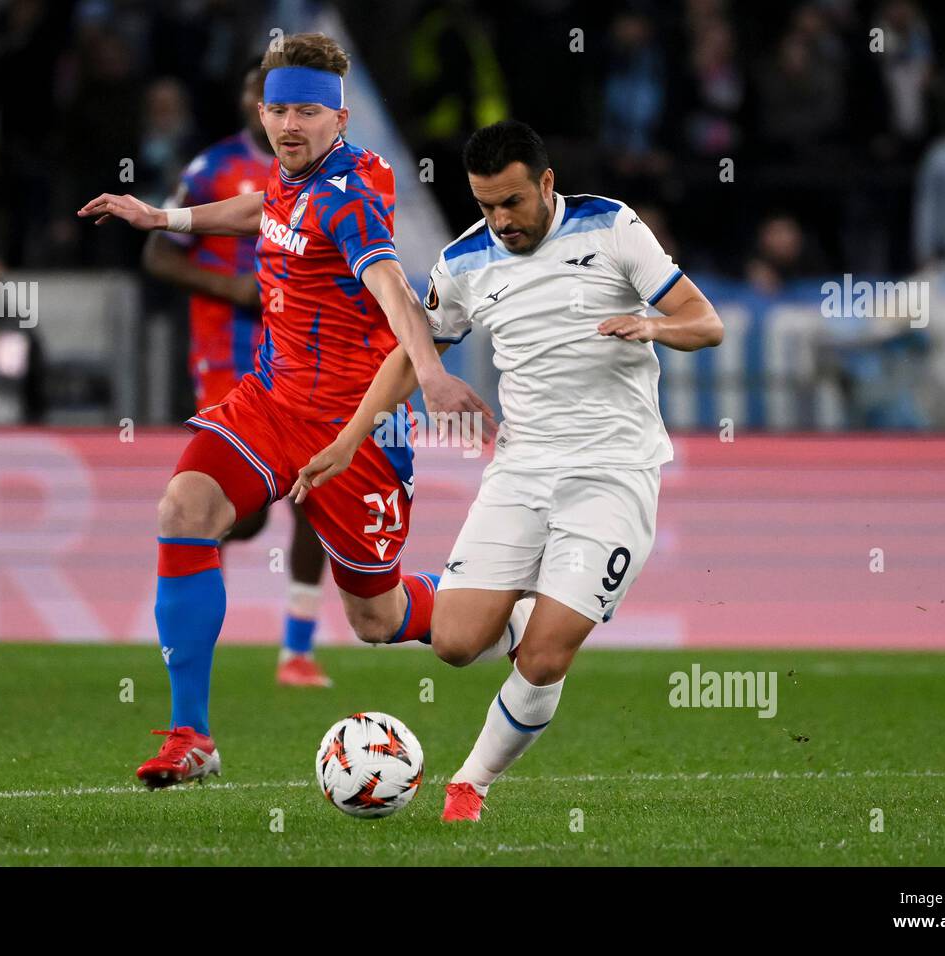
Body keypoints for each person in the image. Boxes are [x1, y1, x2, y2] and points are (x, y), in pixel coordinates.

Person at [78, 32, 500, 788]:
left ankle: (493, 604)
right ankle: (192, 735)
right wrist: (165, 218)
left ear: (339, 117)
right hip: (270, 400)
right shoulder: (299, 173)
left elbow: (393, 291)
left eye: (306, 110)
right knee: (185, 508)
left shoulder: (351, 199)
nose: (288, 125)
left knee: (376, 619)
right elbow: (264, 210)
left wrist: (431, 373)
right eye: (277, 109)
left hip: (354, 426)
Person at [291, 120, 723, 821]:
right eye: (486, 205)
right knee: (459, 644)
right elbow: (411, 350)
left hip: (614, 473)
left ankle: (470, 783)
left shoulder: (612, 227)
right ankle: (527, 614)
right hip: (522, 471)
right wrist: (348, 438)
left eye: (512, 203)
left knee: (547, 657)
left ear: (547, 184)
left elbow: (706, 323)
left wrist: (653, 327)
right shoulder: (466, 260)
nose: (500, 221)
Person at [142, 64, 331, 688]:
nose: (280, 113)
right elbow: (157, 252)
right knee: (229, 510)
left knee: (314, 493)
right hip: (229, 359)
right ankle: (193, 644)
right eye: (265, 97)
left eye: (294, 103)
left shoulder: (332, 175)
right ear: (253, 104)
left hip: (303, 361)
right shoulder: (211, 168)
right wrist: (231, 287)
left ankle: (297, 651)